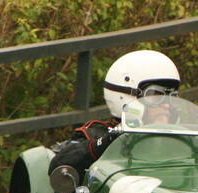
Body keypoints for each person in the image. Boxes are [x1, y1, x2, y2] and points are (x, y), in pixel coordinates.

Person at [48, 49, 182, 175]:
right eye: (155, 95)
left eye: (172, 96)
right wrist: (107, 141)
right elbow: (58, 164)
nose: (166, 104)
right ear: (125, 96)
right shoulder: (96, 134)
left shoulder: (185, 138)